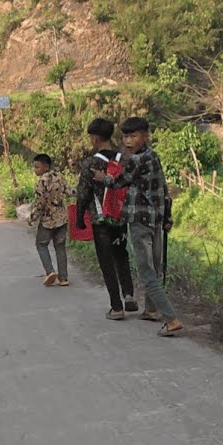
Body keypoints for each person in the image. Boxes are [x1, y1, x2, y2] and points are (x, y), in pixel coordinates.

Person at [93, 117, 184, 337]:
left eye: (133, 136)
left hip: (139, 221)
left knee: (146, 272)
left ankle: (171, 319)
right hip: (156, 220)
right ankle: (152, 310)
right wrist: (168, 216)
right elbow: (163, 189)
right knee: (155, 267)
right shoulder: (153, 156)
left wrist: (103, 178)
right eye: (125, 136)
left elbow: (119, 182)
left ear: (145, 136)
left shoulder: (136, 160)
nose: (128, 141)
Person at [74, 118, 138, 319]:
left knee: (106, 261)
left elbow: (83, 193)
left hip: (100, 219)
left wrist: (79, 218)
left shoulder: (90, 163)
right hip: (120, 217)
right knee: (121, 255)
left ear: (94, 138)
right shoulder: (124, 159)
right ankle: (129, 294)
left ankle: (116, 307)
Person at [30, 153, 71, 287]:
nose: (35, 170)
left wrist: (33, 217)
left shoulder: (41, 182)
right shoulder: (59, 177)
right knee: (60, 247)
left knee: (41, 244)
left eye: (37, 167)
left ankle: (50, 272)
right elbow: (69, 191)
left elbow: (39, 203)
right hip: (62, 218)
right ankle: (63, 278)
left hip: (48, 220)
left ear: (46, 167)